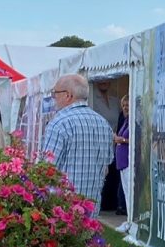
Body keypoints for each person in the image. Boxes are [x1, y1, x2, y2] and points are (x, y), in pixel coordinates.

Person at [41, 72, 114, 202]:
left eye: (55, 94)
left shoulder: (58, 123)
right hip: (92, 207)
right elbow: (106, 168)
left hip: (63, 209)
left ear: (68, 95)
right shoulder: (103, 123)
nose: (54, 98)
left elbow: (46, 169)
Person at [113, 94, 132, 216]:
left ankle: (131, 217)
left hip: (129, 161)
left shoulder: (134, 121)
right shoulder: (125, 120)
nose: (125, 108)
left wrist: (122, 140)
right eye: (124, 105)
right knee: (125, 190)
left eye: (128, 105)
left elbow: (137, 140)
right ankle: (128, 218)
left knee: (130, 191)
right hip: (122, 163)